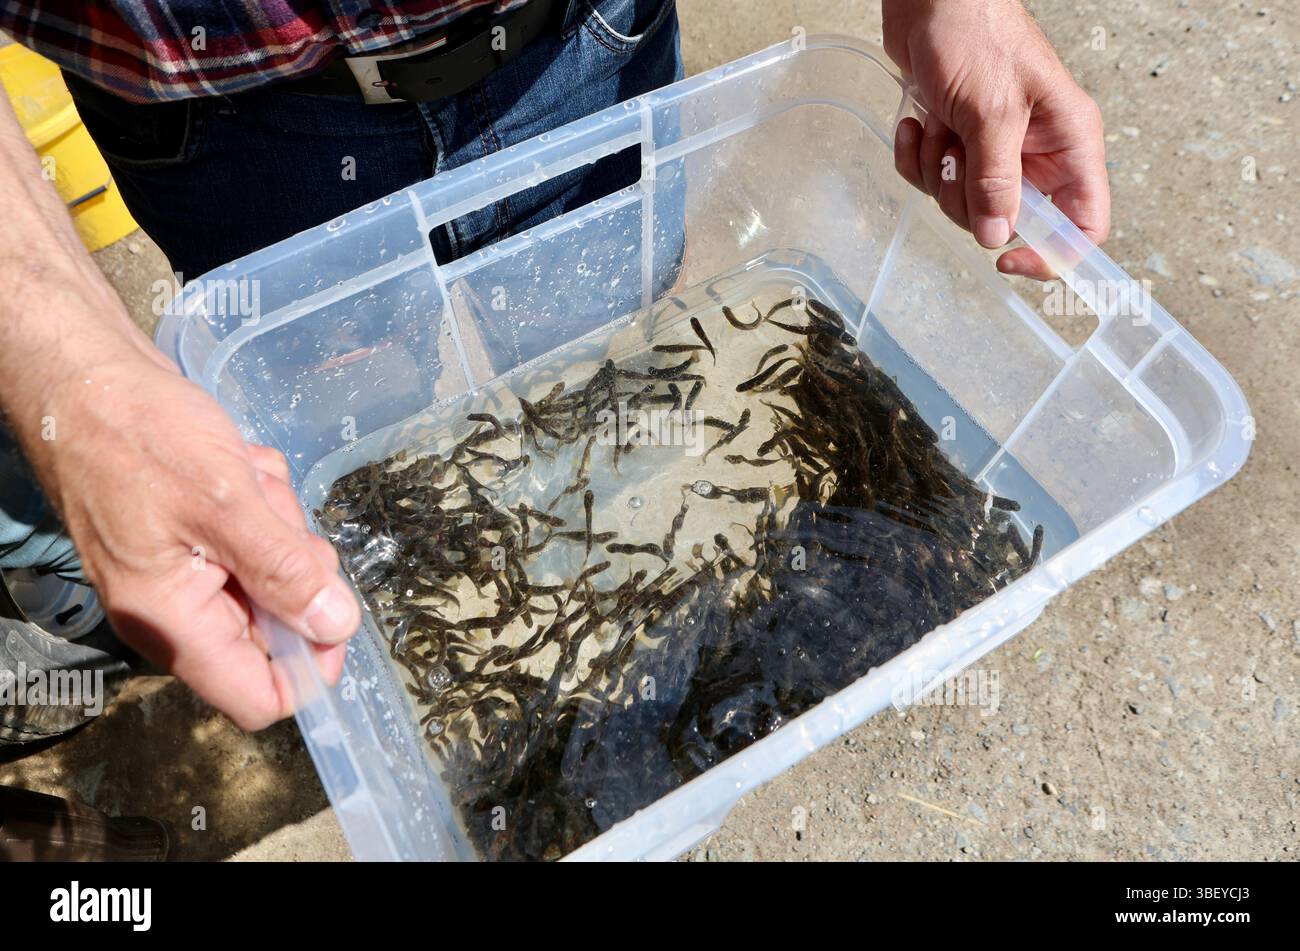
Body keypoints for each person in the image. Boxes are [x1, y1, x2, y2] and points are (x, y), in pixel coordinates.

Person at [0, 0, 1110, 738]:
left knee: (601, 366)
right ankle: (353, 606)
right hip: (221, 123)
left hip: (586, 37)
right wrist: (72, 375)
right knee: (343, 447)